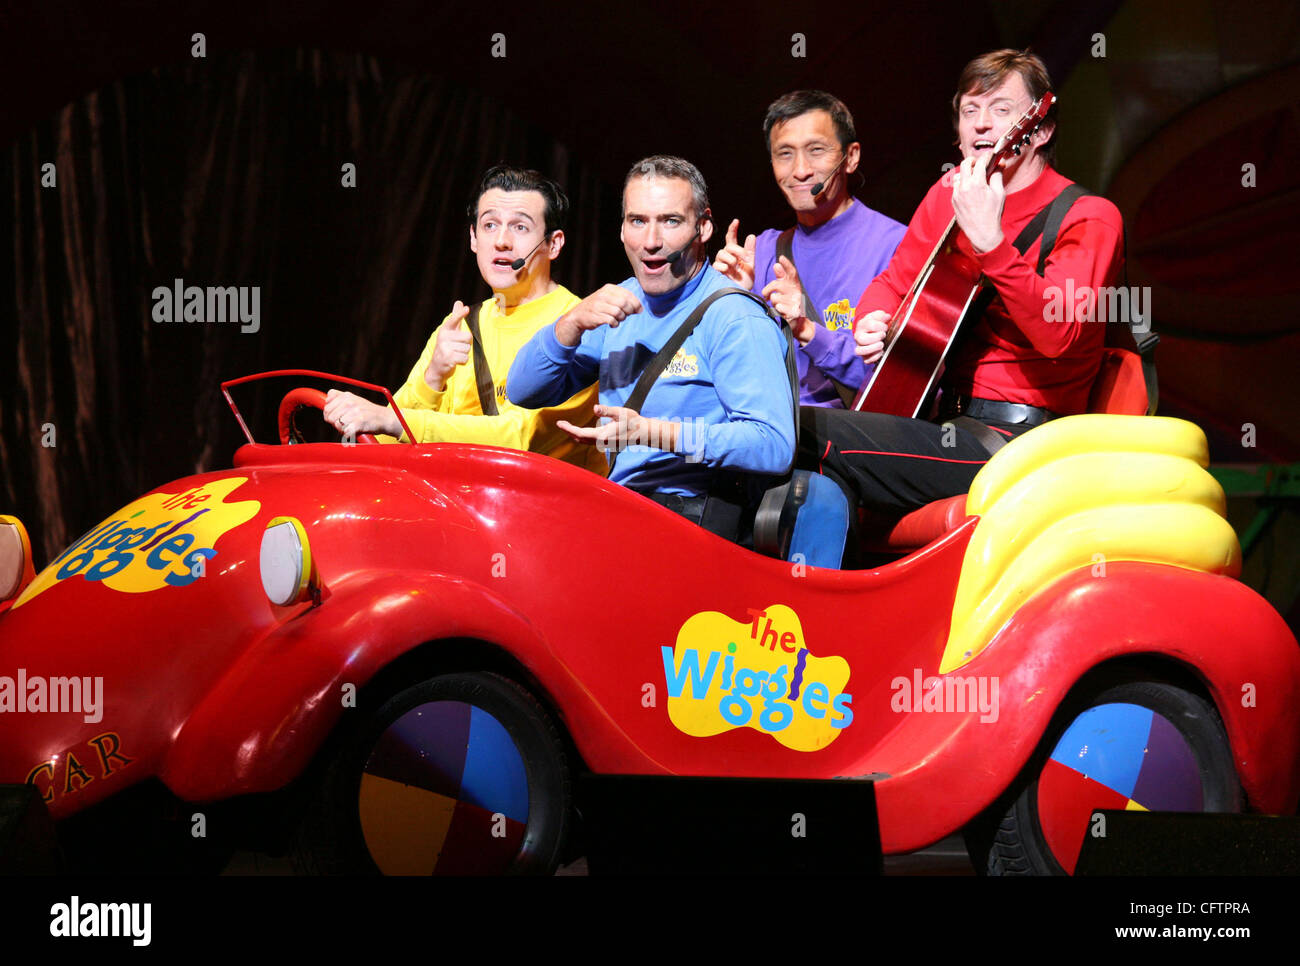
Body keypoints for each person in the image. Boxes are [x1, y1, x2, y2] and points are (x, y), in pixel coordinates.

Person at [799, 49, 1124, 519]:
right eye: (970, 110)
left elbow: (1059, 335)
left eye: (1001, 109)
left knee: (800, 433)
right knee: (794, 463)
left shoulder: (1089, 217)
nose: (981, 123)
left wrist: (991, 242)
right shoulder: (949, 192)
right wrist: (871, 317)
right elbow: (893, 282)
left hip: (1021, 441)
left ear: (1040, 131)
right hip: (940, 418)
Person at [507, 155, 795, 540]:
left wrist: (653, 432)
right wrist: (569, 325)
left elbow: (773, 445)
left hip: (695, 518)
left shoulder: (735, 317)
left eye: (670, 221)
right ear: (622, 228)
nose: (651, 242)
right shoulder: (618, 302)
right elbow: (523, 391)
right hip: (621, 506)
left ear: (703, 227)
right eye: (638, 221)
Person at [321, 164, 605, 474]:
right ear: (473, 238)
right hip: (454, 499)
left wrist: (392, 421)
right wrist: (433, 377)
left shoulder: (577, 327)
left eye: (520, 227)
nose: (502, 241)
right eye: (489, 225)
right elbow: (382, 443)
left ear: (554, 244)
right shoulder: (461, 325)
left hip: (543, 500)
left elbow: (523, 439)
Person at [712, 90, 905, 407]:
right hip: (769, 427)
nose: (800, 170)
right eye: (785, 153)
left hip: (850, 432)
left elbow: (905, 385)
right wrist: (731, 303)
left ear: (851, 157)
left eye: (816, 150)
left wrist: (807, 331)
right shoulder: (761, 251)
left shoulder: (897, 246)